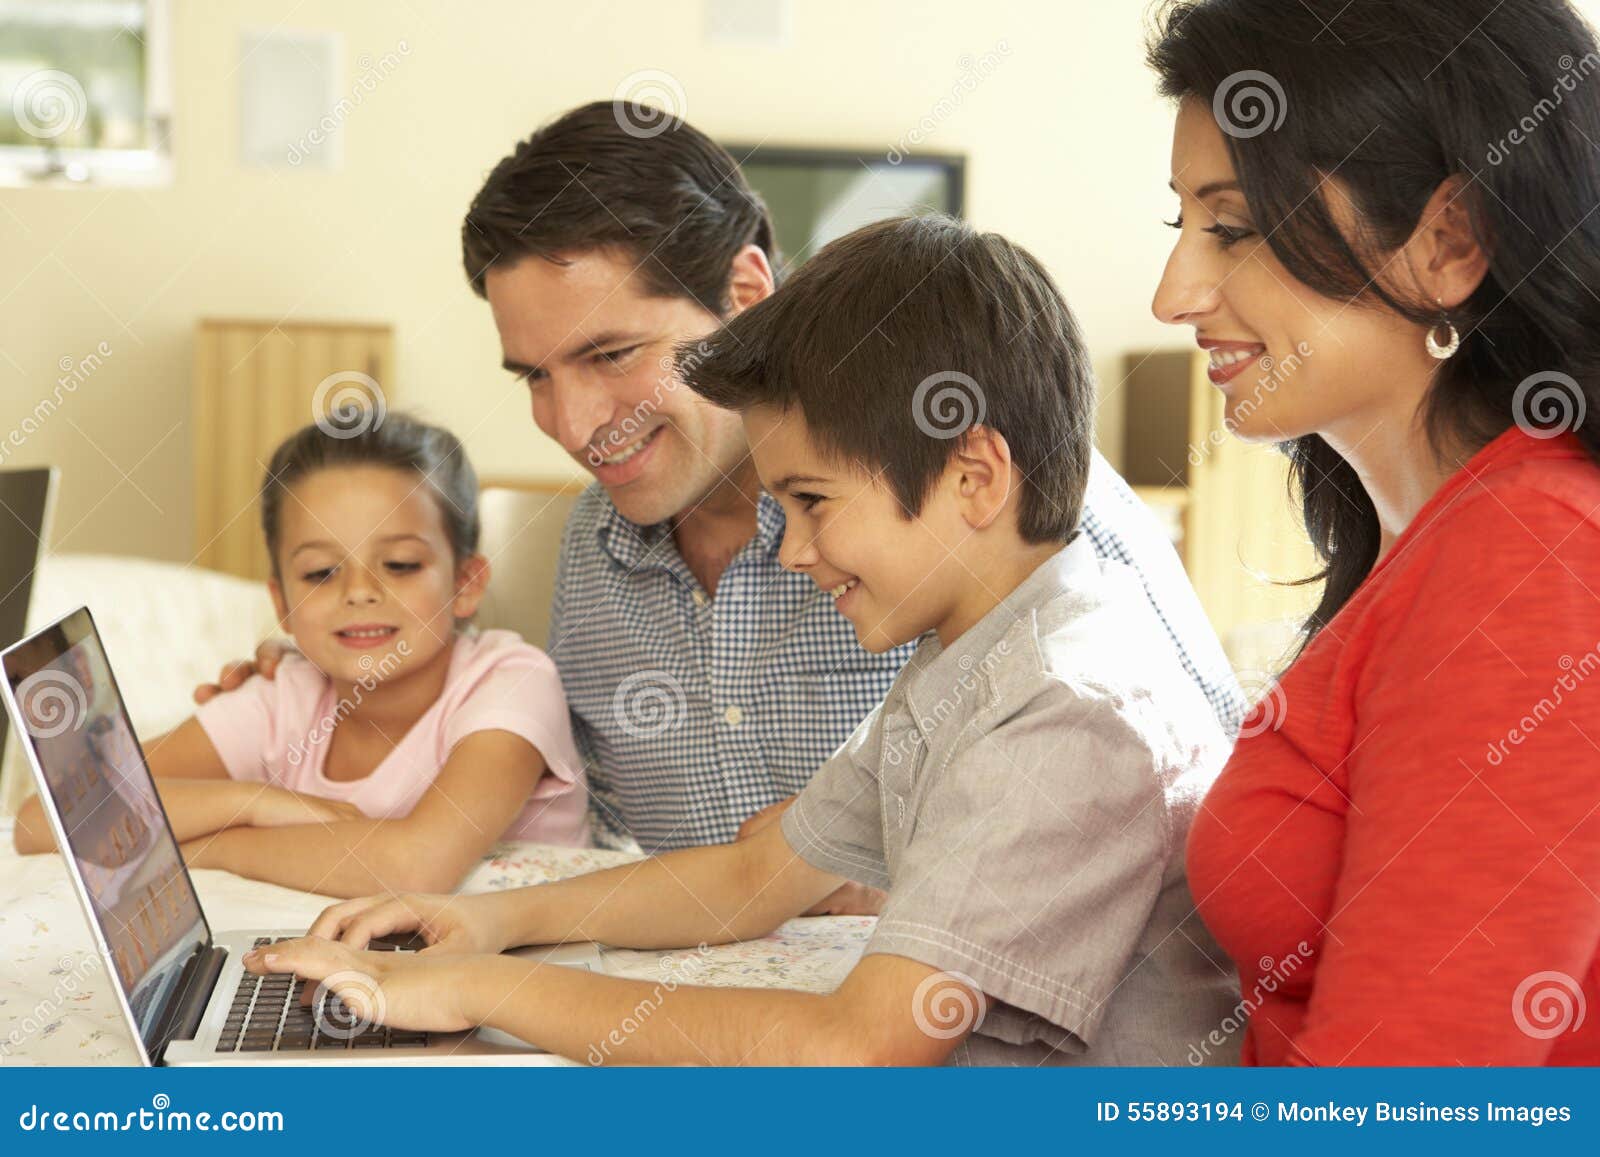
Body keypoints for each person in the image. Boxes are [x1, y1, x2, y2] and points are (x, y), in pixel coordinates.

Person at [242, 216, 1239, 1066]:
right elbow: (755, 874)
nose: (792, 550)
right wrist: (490, 926)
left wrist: (477, 993)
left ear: (973, 474)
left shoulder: (1062, 704)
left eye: (809, 502)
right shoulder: (976, 651)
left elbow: (855, 1047)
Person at [198, 102, 1242, 894]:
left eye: (611, 353)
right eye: (534, 375)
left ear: (745, 295)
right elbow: (542, 775)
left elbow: (1197, 823)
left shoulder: (1001, 508)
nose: (570, 423)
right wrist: (322, 679)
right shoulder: (591, 554)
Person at [1151, 0, 1600, 1063]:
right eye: (1181, 226)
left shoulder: (1523, 561)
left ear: (1451, 241)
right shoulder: (1445, 537)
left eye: (1235, 225)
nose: (1173, 293)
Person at [19, 413, 587, 896]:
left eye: (401, 564)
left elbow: (416, 864)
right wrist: (255, 802)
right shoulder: (284, 697)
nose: (360, 591)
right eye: (321, 572)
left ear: (466, 582)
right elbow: (46, 816)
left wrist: (195, 848)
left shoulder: (512, 682)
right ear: (283, 602)